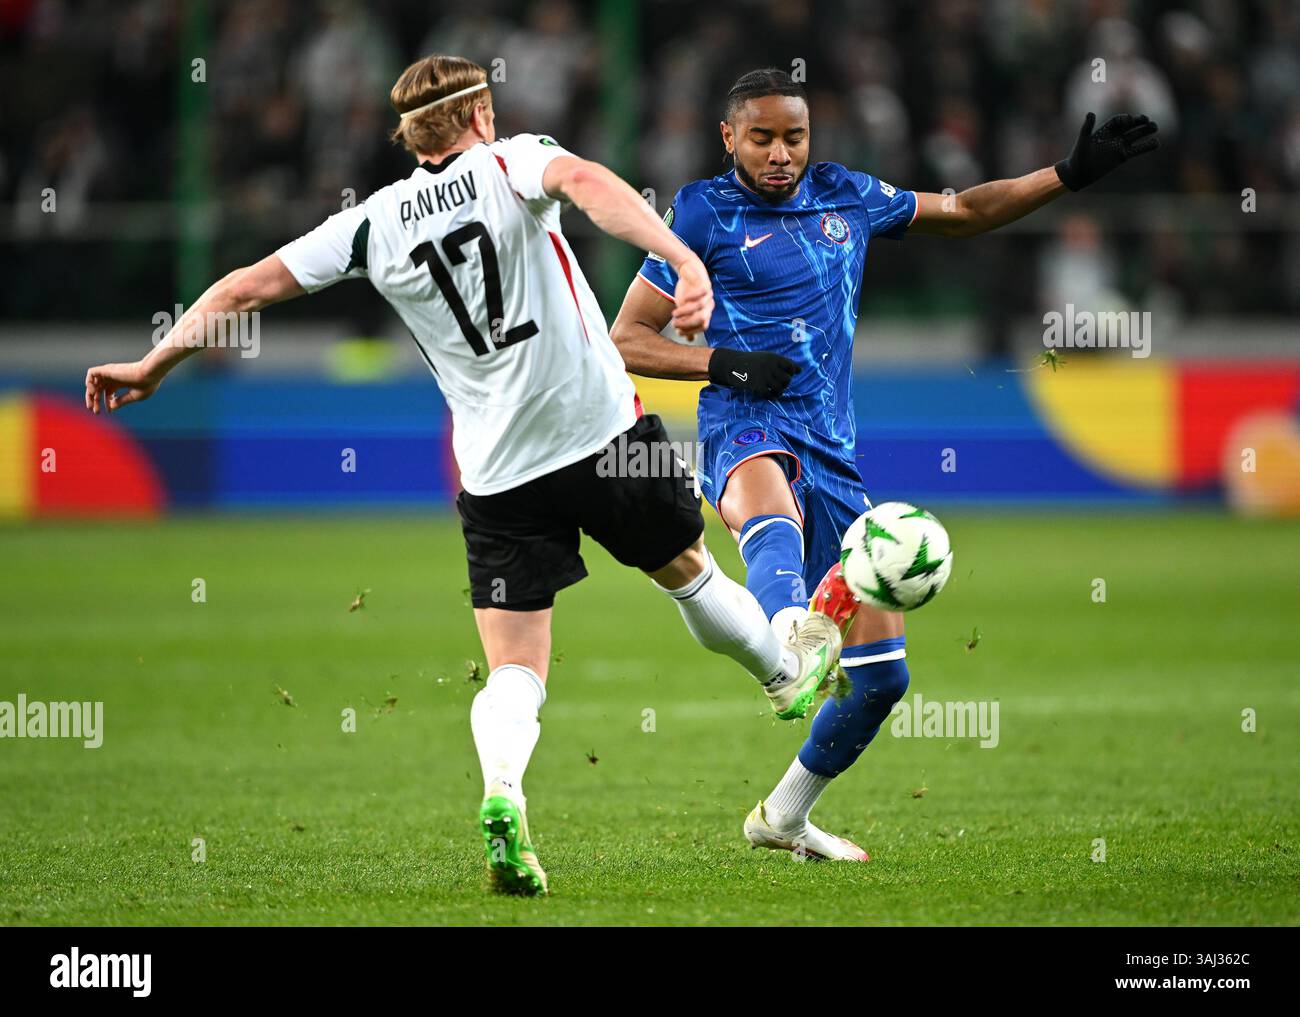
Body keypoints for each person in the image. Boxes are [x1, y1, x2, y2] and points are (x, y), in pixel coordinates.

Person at [83, 56, 845, 896]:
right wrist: (681, 257)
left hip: (496, 471)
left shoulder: (369, 223)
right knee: (688, 570)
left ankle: (503, 794)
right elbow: (590, 182)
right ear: (481, 110)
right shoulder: (515, 159)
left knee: (516, 664)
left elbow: (242, 287)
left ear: (410, 134)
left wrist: (155, 363)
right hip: (599, 433)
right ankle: (780, 672)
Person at [610, 68, 1159, 861]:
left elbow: (966, 211)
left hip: (832, 446)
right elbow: (626, 336)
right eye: (760, 137)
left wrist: (1067, 175)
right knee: (770, 511)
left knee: (882, 680)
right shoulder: (699, 212)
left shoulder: (847, 196)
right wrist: (724, 363)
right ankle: (790, 643)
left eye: (793, 136)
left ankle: (784, 817)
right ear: (728, 137)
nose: (779, 153)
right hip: (744, 421)